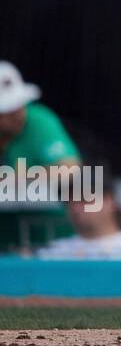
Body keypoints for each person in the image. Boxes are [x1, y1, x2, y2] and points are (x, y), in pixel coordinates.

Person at [0, 61, 81, 253]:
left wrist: (15, 179)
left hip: (50, 238)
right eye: (7, 111)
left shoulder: (39, 119)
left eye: (19, 105)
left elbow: (70, 168)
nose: (18, 114)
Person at [37, 169, 121, 260]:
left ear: (110, 201)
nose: (75, 207)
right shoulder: (55, 253)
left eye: (84, 199)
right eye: (70, 201)